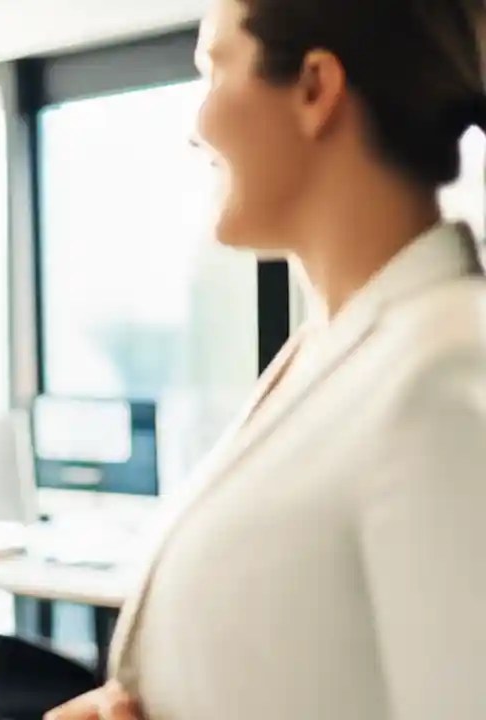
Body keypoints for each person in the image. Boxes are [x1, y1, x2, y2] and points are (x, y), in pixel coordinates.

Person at [48, 0, 486, 719]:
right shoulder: (334, 352)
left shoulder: (441, 378)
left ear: (315, 88)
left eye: (215, 70)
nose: (196, 129)